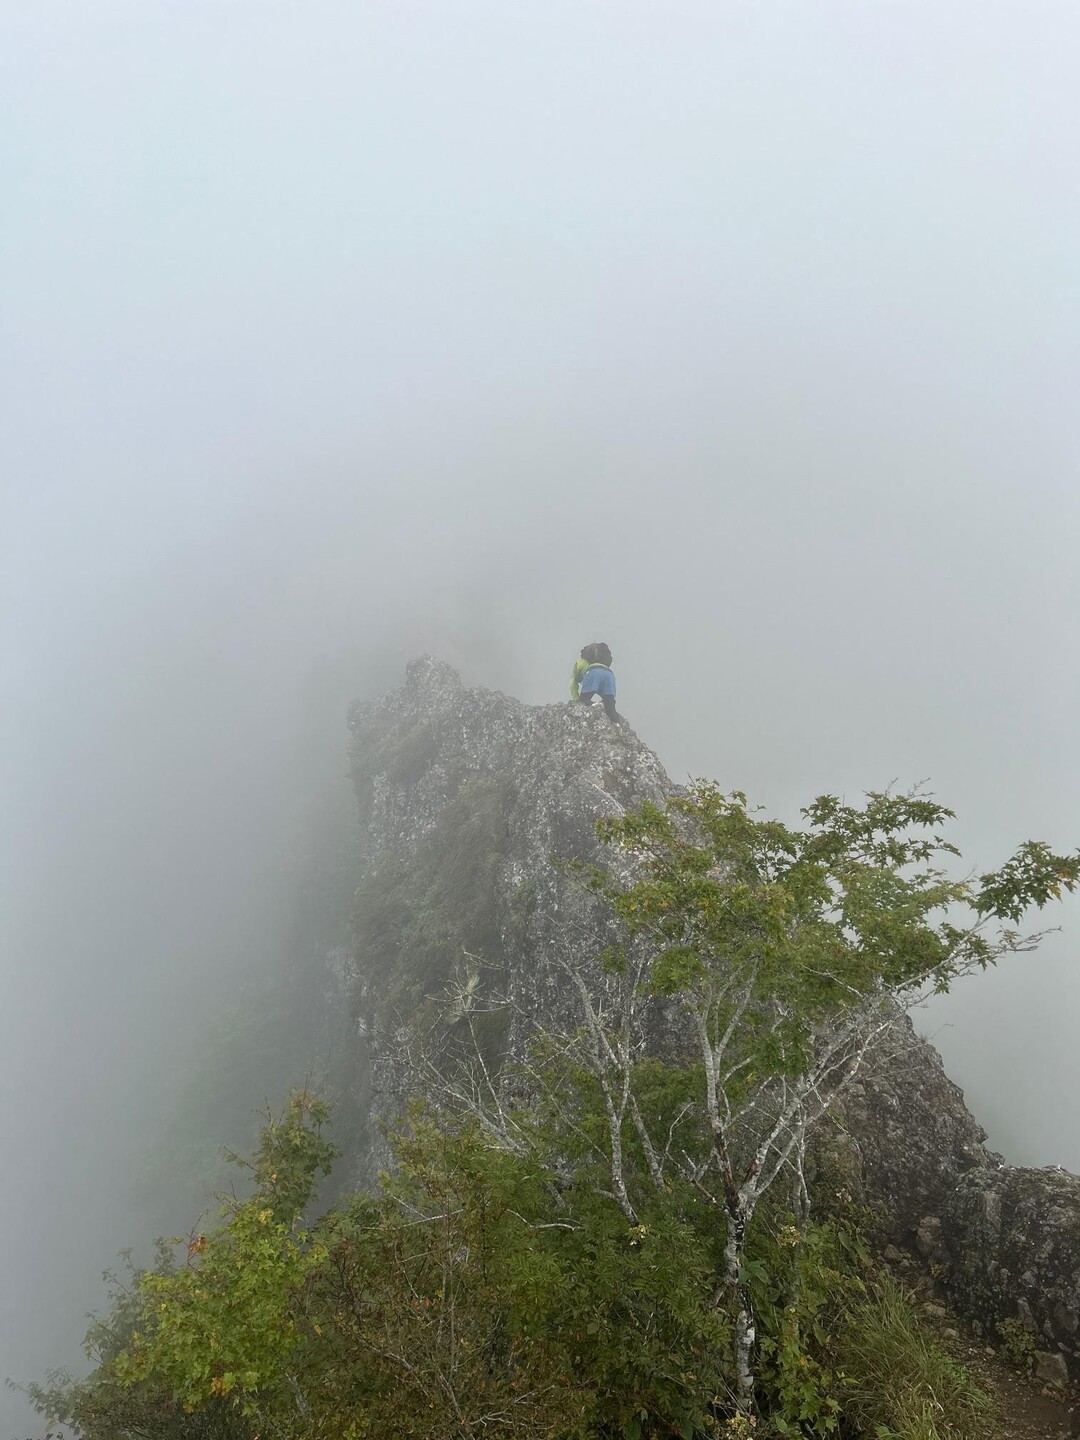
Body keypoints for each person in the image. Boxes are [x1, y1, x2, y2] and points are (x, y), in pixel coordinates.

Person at [573, 641, 618, 721]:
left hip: (594, 672)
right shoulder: (607, 667)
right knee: (611, 707)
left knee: (584, 700)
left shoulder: (582, 662)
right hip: (609, 675)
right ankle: (617, 725)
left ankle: (596, 705)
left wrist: (576, 700)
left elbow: (573, 683)